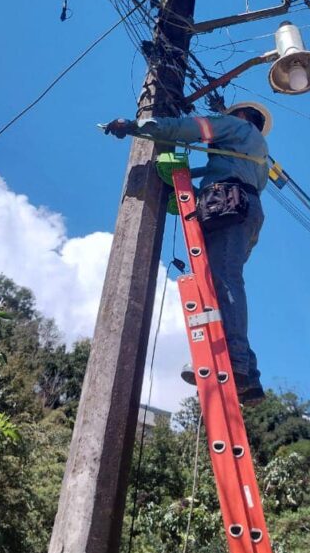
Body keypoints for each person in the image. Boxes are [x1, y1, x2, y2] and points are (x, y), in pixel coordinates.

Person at [103, 102, 272, 403]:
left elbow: (192, 129)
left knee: (223, 281)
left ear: (244, 117)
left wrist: (135, 126)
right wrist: (180, 178)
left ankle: (234, 361)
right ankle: (250, 374)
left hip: (229, 204)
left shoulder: (236, 127)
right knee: (224, 282)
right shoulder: (256, 152)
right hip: (244, 211)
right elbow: (220, 169)